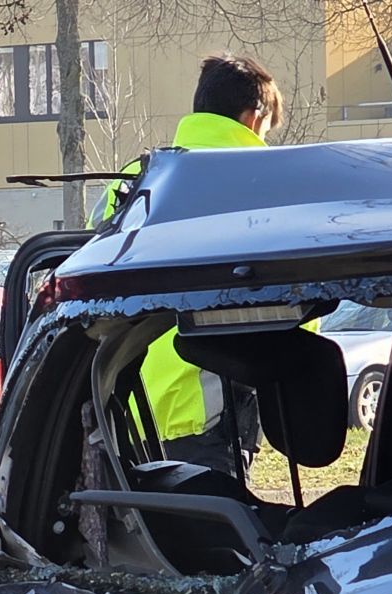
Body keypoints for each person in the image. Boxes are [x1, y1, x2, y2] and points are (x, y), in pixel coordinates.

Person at [94, 53, 283, 476]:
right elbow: (296, 305)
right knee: (214, 535)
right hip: (211, 415)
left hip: (126, 408)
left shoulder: (132, 180)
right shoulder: (265, 183)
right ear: (254, 118)